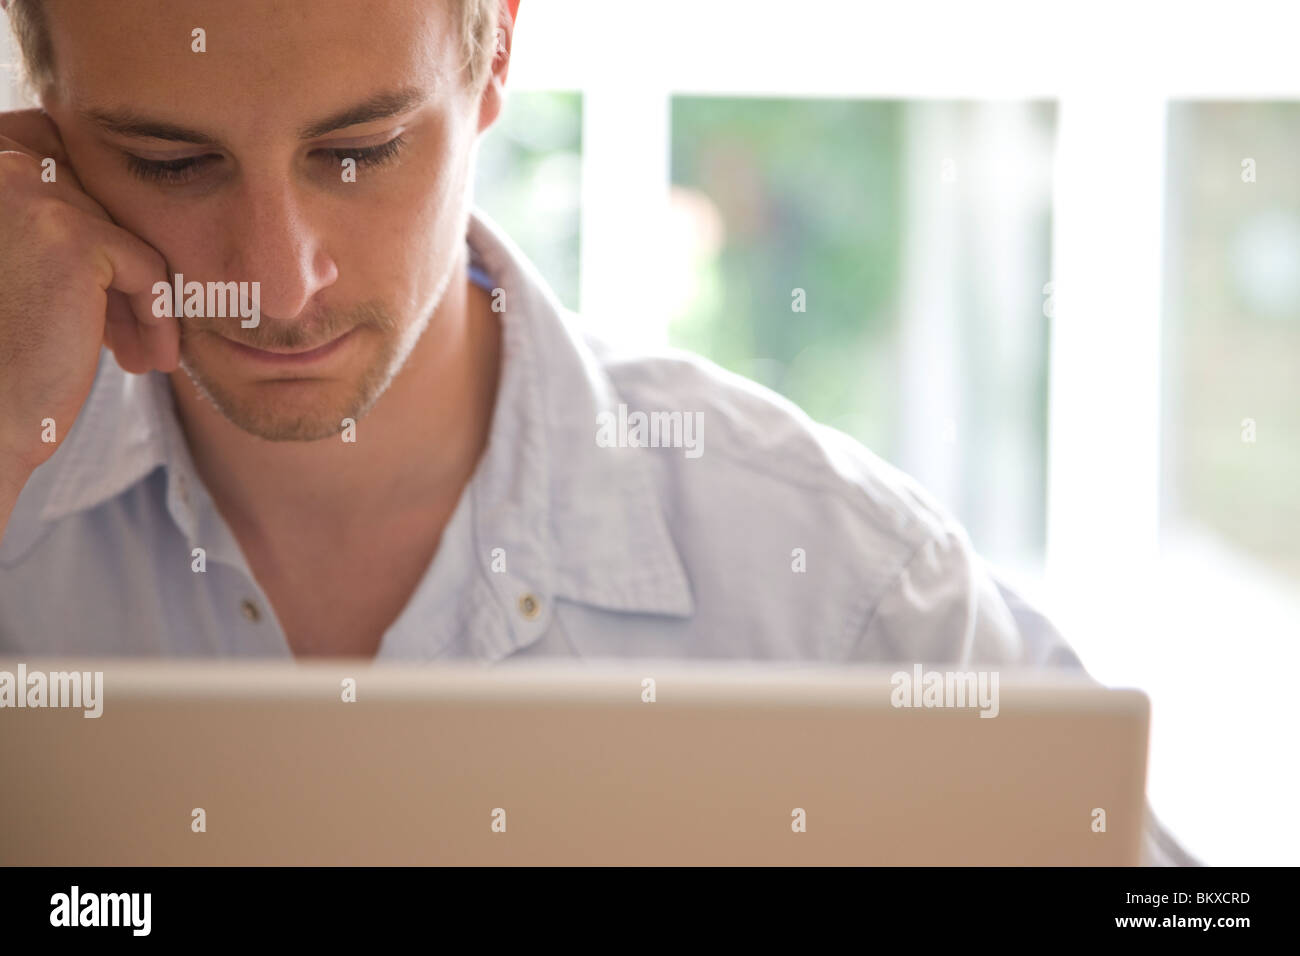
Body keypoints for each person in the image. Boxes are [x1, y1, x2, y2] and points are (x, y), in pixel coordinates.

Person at [0, 0, 1194, 864]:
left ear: (496, 51)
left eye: (360, 152)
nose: (278, 279)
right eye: (172, 162)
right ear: (42, 127)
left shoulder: (837, 583)